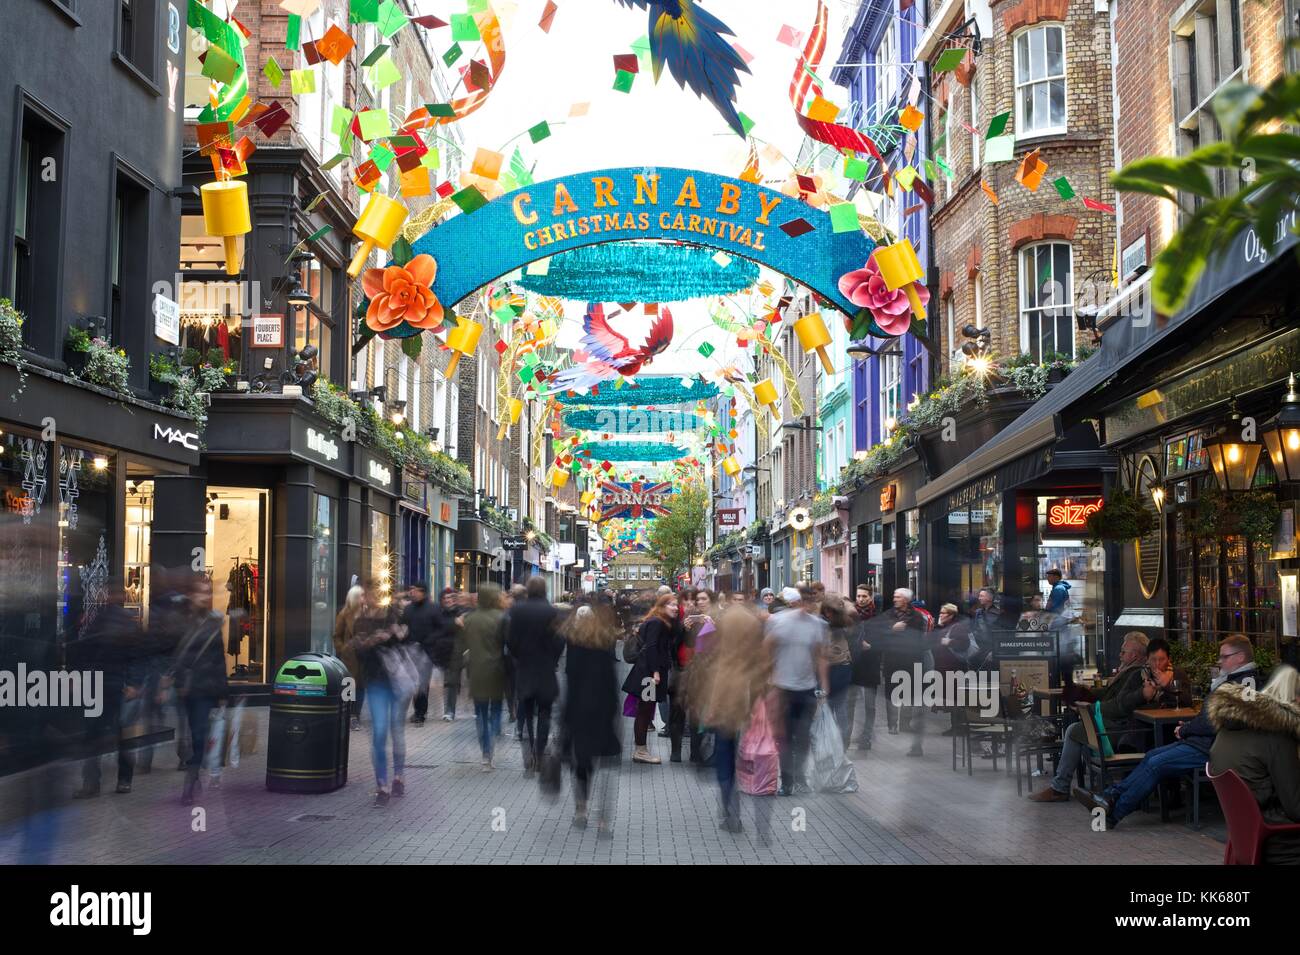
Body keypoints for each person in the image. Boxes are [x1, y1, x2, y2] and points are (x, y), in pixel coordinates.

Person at [1093, 634, 1258, 828]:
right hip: (1205, 742)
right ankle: (1111, 796)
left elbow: (1214, 721)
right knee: (1152, 756)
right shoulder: (1236, 681)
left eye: (1225, 657)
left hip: (1214, 749)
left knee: (1155, 763)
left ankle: (1112, 813)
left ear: (1240, 657)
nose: (1220, 661)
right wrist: (1187, 728)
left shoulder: (1243, 683)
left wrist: (1186, 729)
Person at [1028, 632, 1155, 803]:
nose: (1120, 654)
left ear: (1134, 655)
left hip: (1122, 729)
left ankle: (1060, 787)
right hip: (1117, 725)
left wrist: (1091, 708)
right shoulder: (1129, 672)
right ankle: (1075, 784)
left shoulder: (1135, 674)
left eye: (1123, 651)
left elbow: (1119, 706)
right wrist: (1084, 694)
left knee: (1075, 730)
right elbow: (1109, 695)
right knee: (1077, 727)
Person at [1208, 665, 1300, 864]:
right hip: (1282, 842)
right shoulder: (1277, 736)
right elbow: (1296, 808)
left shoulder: (1226, 731)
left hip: (1246, 838)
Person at [697, 603, 772, 833]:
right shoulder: (758, 654)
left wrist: (711, 710)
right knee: (742, 759)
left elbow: (718, 686)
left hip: (726, 716)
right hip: (750, 714)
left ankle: (730, 811)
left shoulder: (725, 657)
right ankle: (738, 804)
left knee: (726, 761)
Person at [164, 573, 229, 805]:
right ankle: (192, 770)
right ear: (192, 595)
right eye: (201, 592)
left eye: (208, 592)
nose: (205, 596)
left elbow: (218, 659)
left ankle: (190, 782)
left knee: (200, 735)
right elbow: (170, 653)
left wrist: (222, 692)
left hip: (204, 688)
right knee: (187, 735)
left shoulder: (213, 623)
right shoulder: (180, 621)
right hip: (184, 688)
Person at [562, 602, 622, 837]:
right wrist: (614, 713)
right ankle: (604, 821)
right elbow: (610, 683)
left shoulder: (573, 645)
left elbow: (571, 681)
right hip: (603, 712)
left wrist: (566, 717)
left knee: (582, 763)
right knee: (606, 767)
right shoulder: (604, 645)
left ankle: (581, 809)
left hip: (579, 712)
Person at [764, 586, 829, 795]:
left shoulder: (818, 625)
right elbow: (766, 650)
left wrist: (824, 684)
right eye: (806, 600)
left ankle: (800, 777)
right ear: (797, 601)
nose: (809, 605)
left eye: (813, 601)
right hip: (782, 687)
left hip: (807, 687)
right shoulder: (778, 621)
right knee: (785, 736)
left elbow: (820, 655)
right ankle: (788, 782)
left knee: (803, 736)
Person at [349, 580, 407, 806]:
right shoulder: (360, 621)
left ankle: (399, 776)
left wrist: (395, 635)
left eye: (371, 594)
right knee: (380, 731)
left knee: (396, 728)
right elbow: (358, 652)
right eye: (365, 595)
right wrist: (367, 643)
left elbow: (405, 642)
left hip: (396, 681)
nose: (368, 599)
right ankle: (382, 784)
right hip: (375, 682)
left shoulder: (393, 615)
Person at [508, 576, 563, 773]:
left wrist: (519, 656)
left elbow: (510, 639)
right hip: (545, 670)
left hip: (525, 668)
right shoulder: (551, 612)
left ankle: (529, 750)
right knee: (545, 713)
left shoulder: (517, 610)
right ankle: (540, 753)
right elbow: (559, 640)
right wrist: (553, 659)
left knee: (527, 712)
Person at [456, 584, 509, 770]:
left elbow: (462, 645)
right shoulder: (501, 618)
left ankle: (485, 753)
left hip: (476, 671)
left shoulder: (470, 619)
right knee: (495, 710)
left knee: (480, 713)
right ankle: (493, 738)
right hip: (496, 671)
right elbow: (508, 645)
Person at [872, 587, 929, 754]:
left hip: (911, 660)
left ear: (906, 600)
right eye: (895, 596)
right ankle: (892, 724)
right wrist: (892, 630)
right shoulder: (888, 615)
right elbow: (879, 633)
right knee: (892, 692)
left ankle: (905, 722)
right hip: (892, 659)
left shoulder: (917, 617)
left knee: (909, 693)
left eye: (898, 597)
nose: (894, 599)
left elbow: (918, 638)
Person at [622, 592, 676, 764]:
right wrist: (655, 672)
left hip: (648, 673)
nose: (675, 608)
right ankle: (640, 751)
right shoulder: (657, 623)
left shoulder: (658, 621)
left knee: (646, 710)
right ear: (661, 607)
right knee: (644, 711)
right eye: (671, 605)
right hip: (649, 675)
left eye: (676, 605)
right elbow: (652, 647)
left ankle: (641, 750)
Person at [402, 583, 447, 726]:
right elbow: (401, 626)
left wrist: (430, 640)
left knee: (422, 683)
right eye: (411, 589)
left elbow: (442, 628)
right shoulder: (408, 609)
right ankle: (417, 711)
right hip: (410, 651)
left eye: (415, 590)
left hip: (426, 652)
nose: (412, 592)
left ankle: (420, 713)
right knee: (412, 683)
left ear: (424, 592)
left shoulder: (433, 609)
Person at [843, 585, 881, 752]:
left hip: (871, 665)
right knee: (849, 704)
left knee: (870, 706)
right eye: (858, 596)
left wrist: (873, 645)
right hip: (854, 666)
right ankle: (846, 739)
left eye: (864, 596)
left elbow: (884, 640)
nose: (861, 599)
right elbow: (844, 639)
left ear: (871, 597)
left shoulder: (878, 618)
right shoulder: (850, 616)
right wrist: (859, 644)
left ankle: (866, 738)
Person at [821, 595, 856, 748]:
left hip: (838, 666)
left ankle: (841, 741)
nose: (828, 614)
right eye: (827, 610)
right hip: (834, 667)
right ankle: (836, 741)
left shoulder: (842, 623)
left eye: (831, 611)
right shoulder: (825, 622)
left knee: (837, 705)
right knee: (832, 705)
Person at [333, 585, 366, 730]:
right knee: (349, 686)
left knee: (361, 687)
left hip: (364, 656)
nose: (364, 598)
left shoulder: (367, 613)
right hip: (349, 657)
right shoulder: (344, 614)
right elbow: (336, 636)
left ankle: (356, 715)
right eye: (361, 596)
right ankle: (347, 715)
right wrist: (343, 649)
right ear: (354, 598)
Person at [431, 588, 464, 720]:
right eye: (445, 599)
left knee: (451, 682)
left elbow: (463, 627)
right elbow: (437, 628)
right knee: (443, 682)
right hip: (440, 651)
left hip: (455, 651)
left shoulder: (460, 612)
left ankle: (450, 711)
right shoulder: (438, 613)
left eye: (450, 598)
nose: (447, 601)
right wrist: (453, 623)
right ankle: (443, 709)